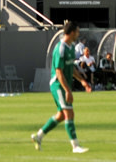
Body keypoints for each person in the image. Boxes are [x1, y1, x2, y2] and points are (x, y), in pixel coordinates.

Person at [32, 20, 91, 154]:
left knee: (61, 115)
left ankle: (38, 136)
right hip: (58, 84)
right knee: (69, 113)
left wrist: (82, 81)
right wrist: (68, 91)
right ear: (71, 33)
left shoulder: (71, 47)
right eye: (77, 32)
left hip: (63, 85)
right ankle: (75, 146)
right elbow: (58, 72)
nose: (78, 34)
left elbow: (71, 67)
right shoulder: (61, 48)